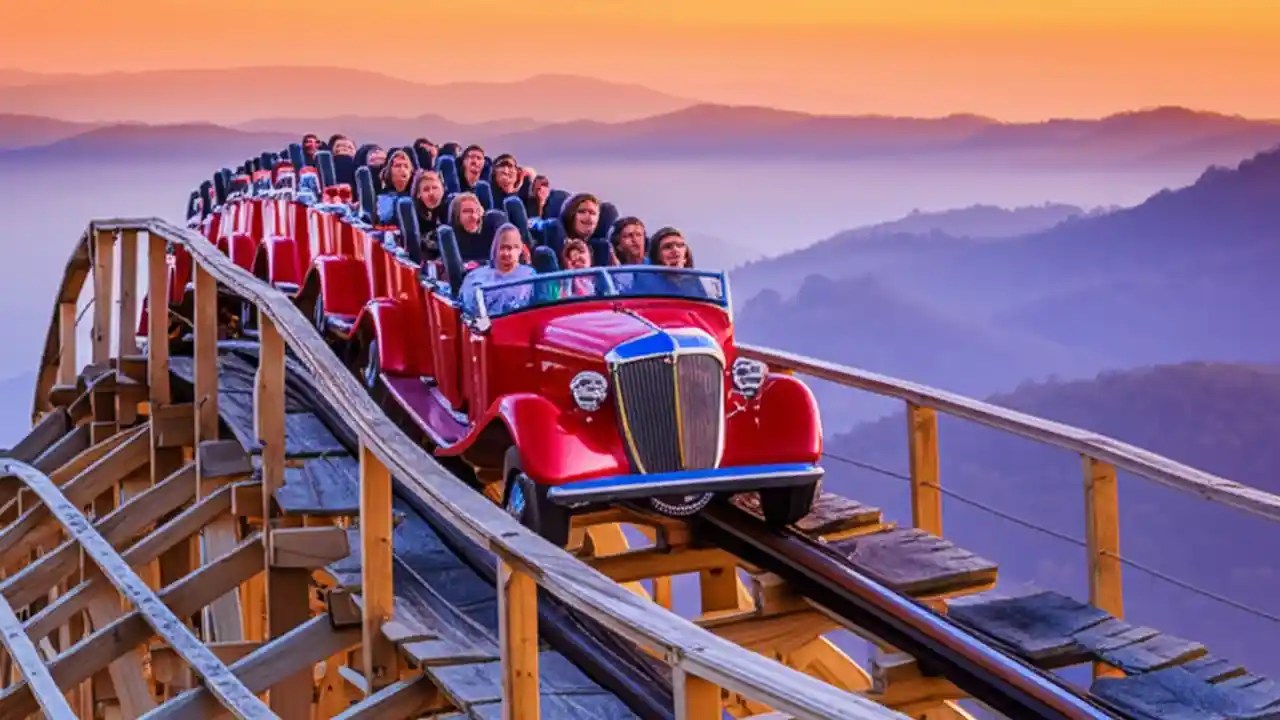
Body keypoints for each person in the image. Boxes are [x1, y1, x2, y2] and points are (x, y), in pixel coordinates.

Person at [459, 223, 535, 315]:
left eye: (513, 248)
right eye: (503, 248)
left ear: (520, 250)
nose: (507, 253)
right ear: (495, 249)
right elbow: (469, 315)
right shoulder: (474, 278)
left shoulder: (530, 275)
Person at [411, 170, 447, 259]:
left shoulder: (450, 209)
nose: (431, 193)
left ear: (442, 190)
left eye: (435, 188)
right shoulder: (413, 215)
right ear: (419, 194)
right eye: (426, 189)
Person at [448, 192, 488, 262]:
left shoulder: (488, 234)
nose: (474, 216)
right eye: (467, 211)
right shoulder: (450, 241)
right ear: (456, 215)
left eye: (476, 211)